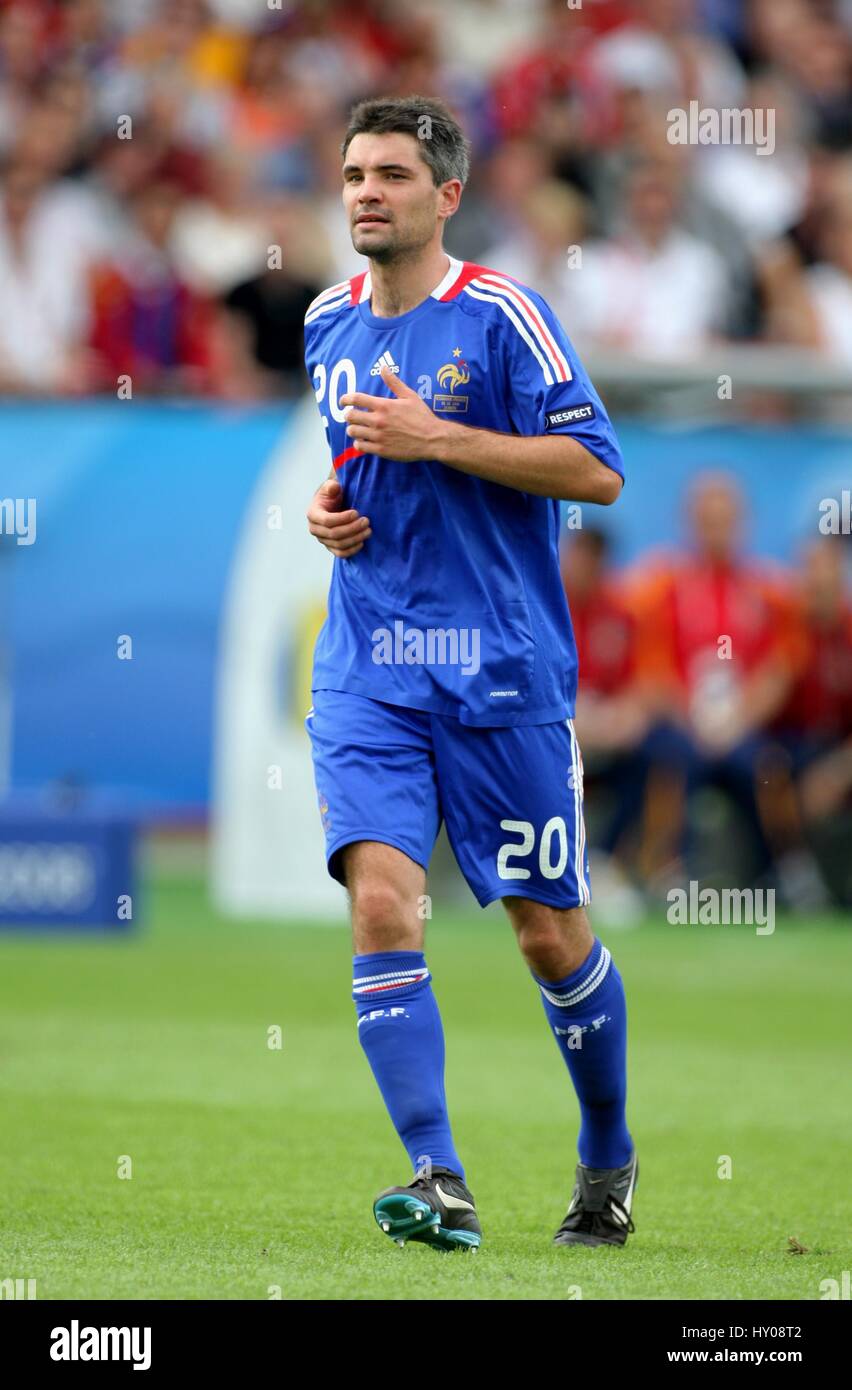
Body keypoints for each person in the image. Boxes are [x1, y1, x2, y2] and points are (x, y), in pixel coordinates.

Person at [303, 95, 634, 1253]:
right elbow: (356, 470)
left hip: (500, 675)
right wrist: (330, 511)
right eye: (353, 174)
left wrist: (441, 438)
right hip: (369, 668)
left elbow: (597, 471)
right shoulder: (324, 323)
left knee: (549, 934)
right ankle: (437, 1178)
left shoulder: (502, 316)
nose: (366, 193)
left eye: (392, 174)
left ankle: (605, 1153)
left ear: (446, 195)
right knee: (384, 898)